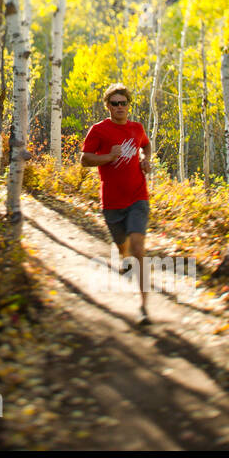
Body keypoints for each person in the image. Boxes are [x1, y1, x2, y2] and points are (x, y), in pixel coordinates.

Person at [80, 83, 154, 325]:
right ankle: (123, 257)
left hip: (138, 196)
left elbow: (146, 144)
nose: (120, 107)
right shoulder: (99, 130)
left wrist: (145, 158)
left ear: (128, 105)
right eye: (115, 103)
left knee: (138, 247)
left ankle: (144, 306)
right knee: (123, 246)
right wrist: (108, 157)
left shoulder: (137, 128)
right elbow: (85, 159)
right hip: (112, 201)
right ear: (108, 106)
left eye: (123, 103)